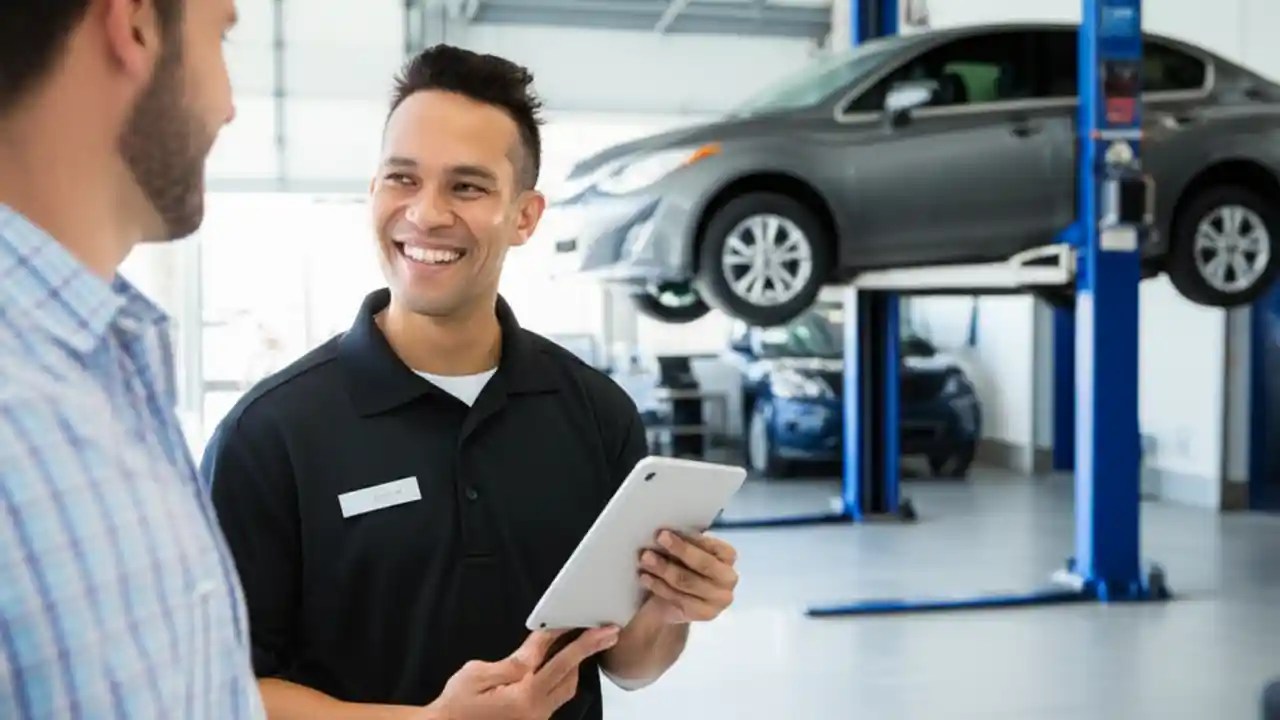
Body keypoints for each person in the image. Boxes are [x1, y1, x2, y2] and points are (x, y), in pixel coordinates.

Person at [199, 44, 741, 720]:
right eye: (402, 178)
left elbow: (629, 662)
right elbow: (222, 691)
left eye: (466, 186)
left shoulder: (595, 414)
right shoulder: (269, 435)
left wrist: (669, 610)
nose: (425, 214)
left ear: (525, 216)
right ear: (373, 190)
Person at [0, 0, 264, 718]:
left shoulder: (104, 367)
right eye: (221, 37)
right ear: (136, 25)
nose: (231, 107)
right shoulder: (23, 412)